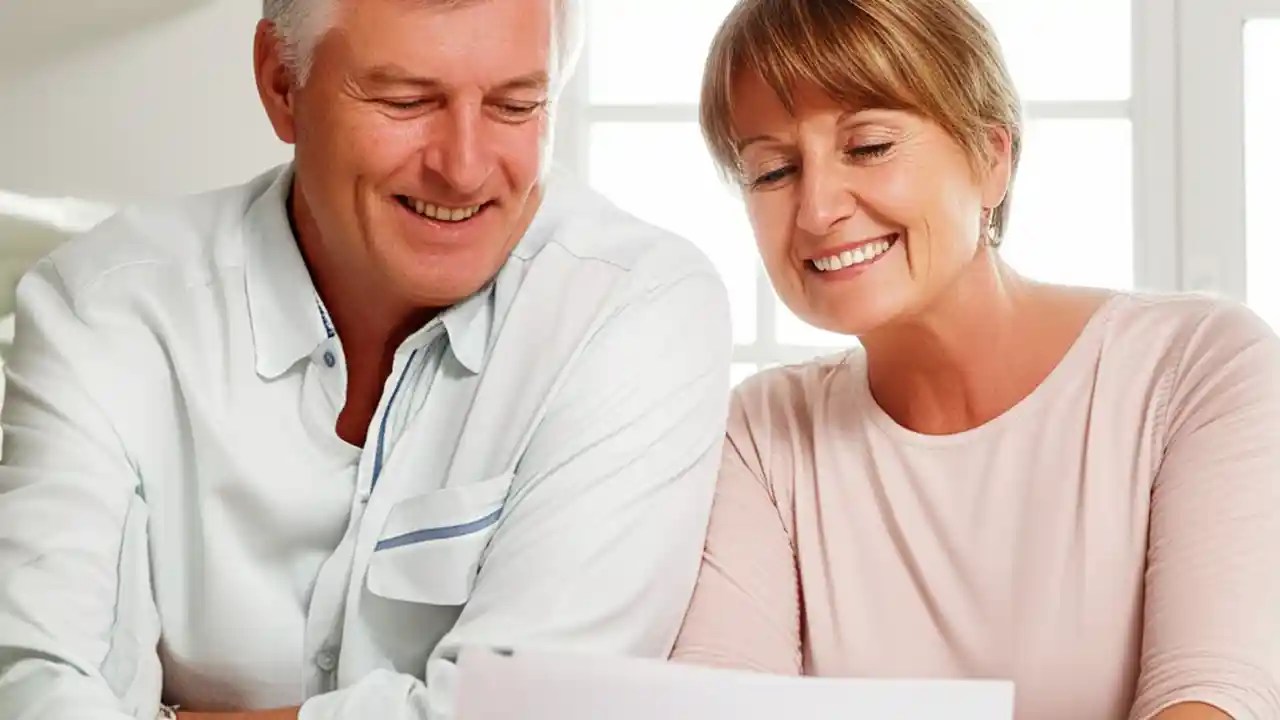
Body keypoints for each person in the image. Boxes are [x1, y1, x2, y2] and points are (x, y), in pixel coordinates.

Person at [0, 0, 733, 718]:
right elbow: (35, 681)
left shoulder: (636, 308)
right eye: (407, 100)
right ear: (282, 84)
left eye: (516, 106)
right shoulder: (101, 306)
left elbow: (539, 710)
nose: (465, 168)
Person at [670, 1, 1280, 718]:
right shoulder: (763, 435)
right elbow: (715, 705)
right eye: (773, 171)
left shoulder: (1197, 369)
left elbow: (1214, 699)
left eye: (868, 147)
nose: (816, 210)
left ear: (994, 158)